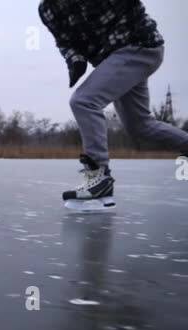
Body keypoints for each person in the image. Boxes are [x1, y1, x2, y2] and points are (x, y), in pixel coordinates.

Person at [39, 0, 188, 205]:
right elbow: (64, 42)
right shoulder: (48, 10)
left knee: (84, 101)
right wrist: (74, 59)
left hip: (139, 45)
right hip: (114, 59)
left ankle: (99, 177)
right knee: (140, 125)